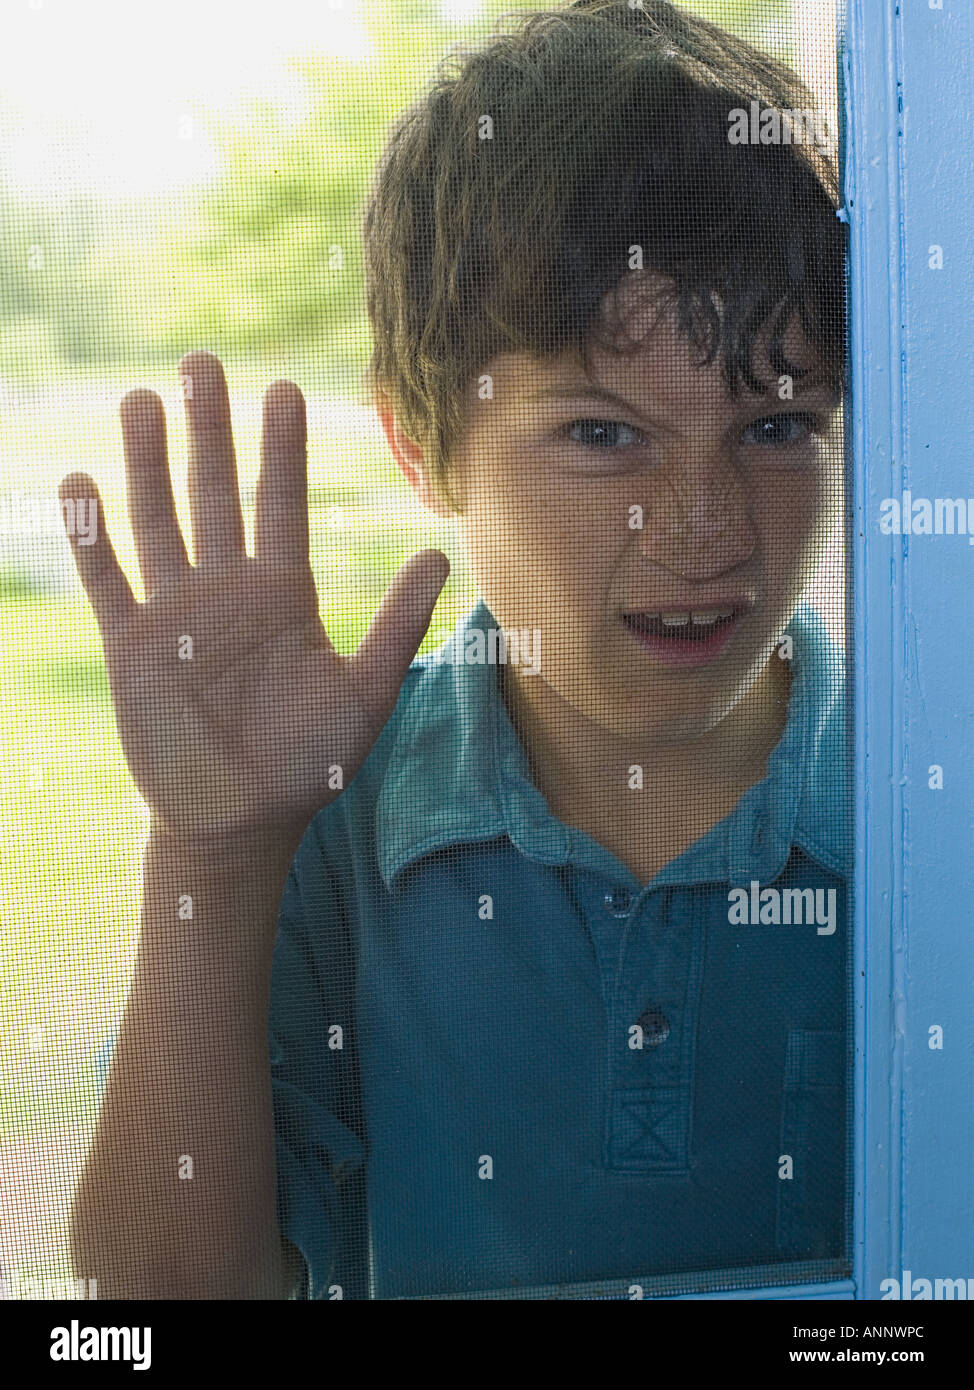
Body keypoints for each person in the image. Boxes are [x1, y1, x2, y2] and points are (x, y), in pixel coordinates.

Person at [66, 0, 850, 1300]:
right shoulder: (329, 819)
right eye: (601, 434)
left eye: (775, 428)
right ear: (418, 445)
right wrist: (214, 847)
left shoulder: (923, 799)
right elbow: (151, 1305)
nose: (705, 533)